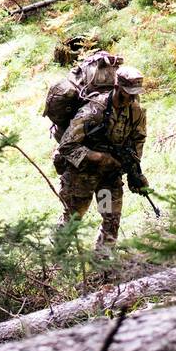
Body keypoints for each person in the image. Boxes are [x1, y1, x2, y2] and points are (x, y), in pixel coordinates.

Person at [55, 64, 148, 249]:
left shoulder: (135, 112)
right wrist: (98, 157)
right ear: (117, 88)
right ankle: (58, 254)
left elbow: (138, 140)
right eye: (128, 93)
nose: (132, 98)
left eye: (135, 93)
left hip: (109, 177)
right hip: (81, 176)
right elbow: (67, 146)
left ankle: (103, 262)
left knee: (110, 217)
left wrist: (134, 172)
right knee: (73, 217)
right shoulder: (92, 111)